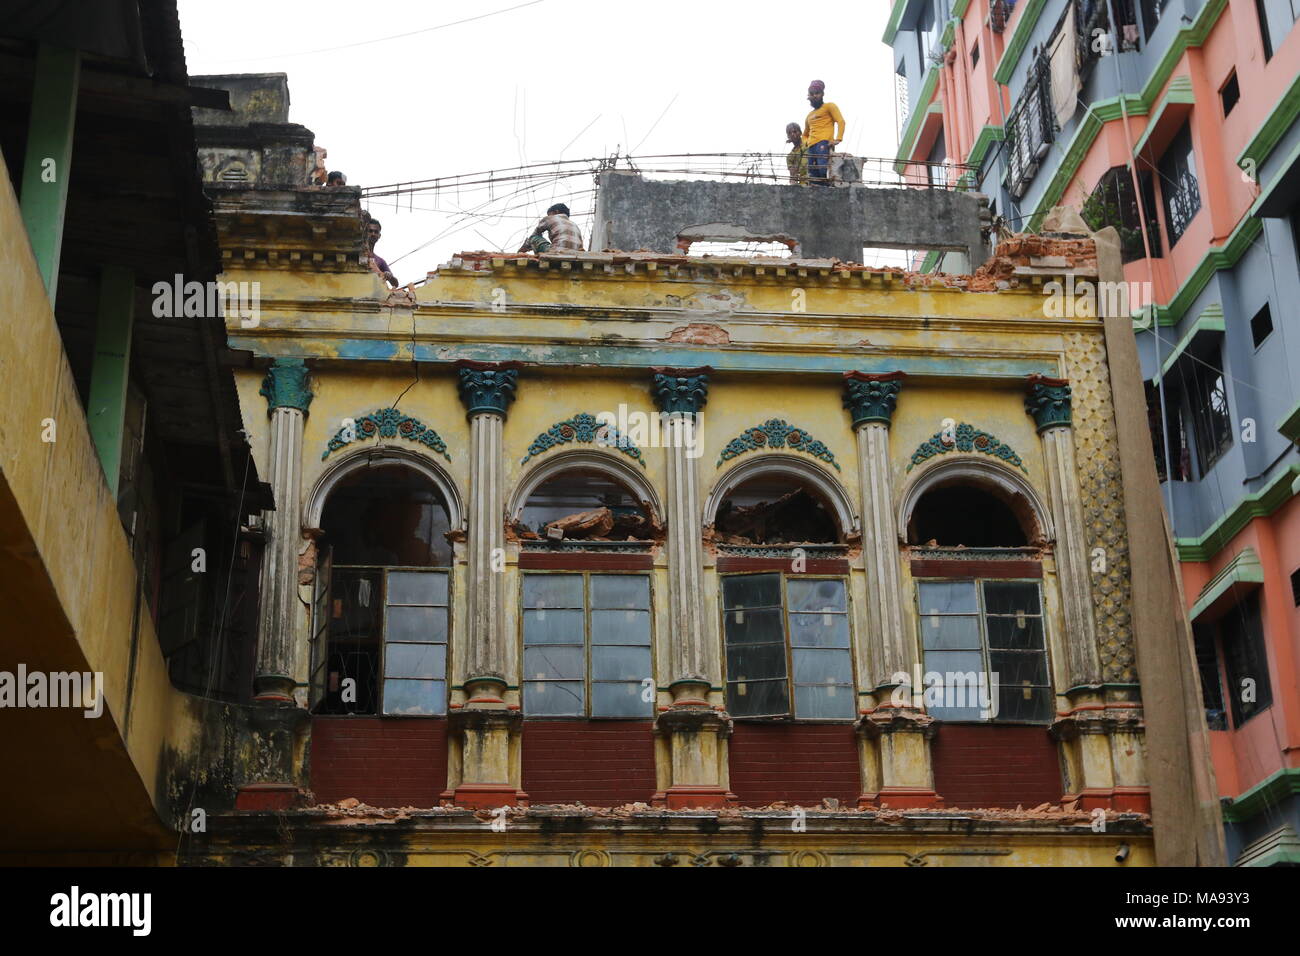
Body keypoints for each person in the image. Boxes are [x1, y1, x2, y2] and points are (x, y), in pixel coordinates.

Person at [802, 80, 845, 186]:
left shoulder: (829, 106)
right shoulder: (809, 116)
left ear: (822, 94)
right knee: (813, 175)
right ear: (809, 96)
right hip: (811, 147)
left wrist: (838, 139)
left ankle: (828, 191)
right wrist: (807, 142)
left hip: (824, 143)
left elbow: (841, 121)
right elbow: (804, 134)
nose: (814, 96)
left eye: (817, 93)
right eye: (812, 94)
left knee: (823, 170)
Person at [519, 203, 584, 253]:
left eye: (549, 214)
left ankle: (524, 253)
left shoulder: (550, 218)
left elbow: (535, 234)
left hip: (556, 252)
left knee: (533, 238)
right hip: (574, 255)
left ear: (556, 212)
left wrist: (523, 249)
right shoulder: (575, 225)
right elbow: (581, 247)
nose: (549, 216)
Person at [365, 217, 398, 287]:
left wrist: (389, 275)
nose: (373, 234)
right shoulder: (356, 253)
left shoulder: (380, 261)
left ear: (379, 236)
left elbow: (395, 284)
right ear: (365, 233)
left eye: (376, 232)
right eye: (370, 231)